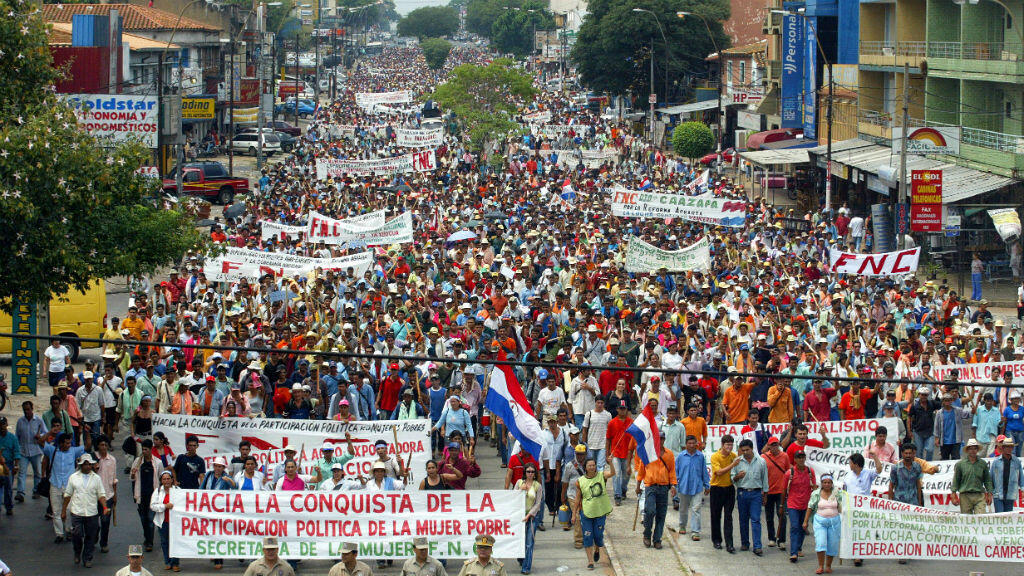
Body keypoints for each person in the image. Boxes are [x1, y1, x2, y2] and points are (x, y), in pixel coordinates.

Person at [61, 453, 110, 568]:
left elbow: (101, 494)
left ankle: (87, 557)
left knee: (90, 536)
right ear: (81, 465)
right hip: (77, 511)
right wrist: (63, 511)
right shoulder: (73, 477)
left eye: (89, 464)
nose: (87, 467)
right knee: (77, 534)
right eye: (85, 464)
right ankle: (77, 552)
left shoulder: (96, 479)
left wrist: (104, 507)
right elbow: (68, 495)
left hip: (91, 512)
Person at [635, 431, 676, 549]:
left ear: (664, 440)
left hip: (664, 487)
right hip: (650, 486)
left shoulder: (669, 454)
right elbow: (642, 469)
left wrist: (673, 485)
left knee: (661, 515)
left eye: (662, 438)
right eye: (658, 438)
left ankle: (657, 539)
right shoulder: (648, 453)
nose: (660, 441)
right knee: (650, 511)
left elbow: (672, 471)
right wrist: (638, 485)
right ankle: (647, 534)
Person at [572, 457, 614, 571]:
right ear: (585, 467)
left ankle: (597, 549)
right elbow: (577, 499)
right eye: (589, 465)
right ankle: (590, 561)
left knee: (598, 536)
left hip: (600, 512)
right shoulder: (580, 481)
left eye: (593, 465)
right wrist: (574, 514)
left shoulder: (601, 476)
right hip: (586, 514)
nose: (592, 467)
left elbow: (612, 473)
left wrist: (610, 463)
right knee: (587, 536)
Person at [42, 432, 85, 542]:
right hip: (55, 485)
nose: (69, 445)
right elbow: (41, 442)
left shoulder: (73, 451)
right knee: (56, 511)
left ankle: (69, 529)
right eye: (66, 443)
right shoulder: (52, 451)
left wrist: (86, 432)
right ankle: (59, 534)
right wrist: (51, 432)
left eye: (69, 443)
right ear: (60, 443)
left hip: (69, 486)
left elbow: (87, 446)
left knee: (70, 509)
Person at [731, 438, 768, 556]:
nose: (745, 452)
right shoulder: (737, 461)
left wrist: (765, 494)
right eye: (743, 450)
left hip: (756, 493)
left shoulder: (761, 462)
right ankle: (745, 543)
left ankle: (757, 546)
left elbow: (765, 479)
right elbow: (732, 478)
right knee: (743, 519)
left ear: (752, 449)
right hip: (742, 493)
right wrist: (738, 476)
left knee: (756, 519)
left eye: (747, 450)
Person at [804, 474, 843, 575]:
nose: (827, 484)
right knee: (820, 543)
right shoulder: (816, 494)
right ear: (821, 483)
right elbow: (810, 507)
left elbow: (843, 506)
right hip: (820, 522)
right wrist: (805, 521)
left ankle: (828, 566)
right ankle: (821, 566)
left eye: (829, 482)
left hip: (834, 522)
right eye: (825, 482)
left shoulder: (837, 493)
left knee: (833, 544)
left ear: (832, 483)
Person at [781, 450, 815, 563]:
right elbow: (784, 490)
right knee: (795, 526)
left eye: (802, 457)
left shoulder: (810, 472)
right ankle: (793, 552)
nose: (801, 459)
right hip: (792, 504)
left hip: (806, 504)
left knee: (802, 527)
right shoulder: (789, 473)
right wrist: (782, 505)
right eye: (798, 457)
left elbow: (814, 488)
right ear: (795, 459)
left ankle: (798, 547)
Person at [674, 435, 709, 540]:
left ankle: (695, 531)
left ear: (697, 444)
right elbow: (676, 472)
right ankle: (682, 525)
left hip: (697, 487)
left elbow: (704, 471)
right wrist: (674, 486)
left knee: (696, 509)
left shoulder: (700, 456)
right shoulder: (681, 456)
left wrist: (707, 485)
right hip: (683, 487)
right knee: (683, 509)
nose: (691, 445)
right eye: (689, 443)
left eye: (693, 443)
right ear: (686, 444)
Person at [709, 434, 738, 553]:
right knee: (716, 516)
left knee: (728, 516)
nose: (729, 447)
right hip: (717, 488)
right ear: (722, 445)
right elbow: (719, 472)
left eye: (731, 445)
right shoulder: (715, 457)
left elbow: (735, 472)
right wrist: (732, 465)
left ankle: (729, 543)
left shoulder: (733, 456)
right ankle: (716, 540)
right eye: (727, 445)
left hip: (729, 488)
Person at [761, 436, 790, 550]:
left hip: (781, 491)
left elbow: (787, 472)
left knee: (782, 515)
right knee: (769, 516)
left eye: (776, 444)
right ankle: (771, 538)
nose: (774, 447)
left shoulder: (785, 456)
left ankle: (781, 539)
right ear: (768, 446)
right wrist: (763, 491)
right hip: (768, 491)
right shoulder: (764, 457)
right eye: (772, 445)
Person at [514, 463, 543, 574]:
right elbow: (512, 498)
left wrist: (529, 515)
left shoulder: (537, 486)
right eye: (528, 471)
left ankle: (526, 568)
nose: (530, 474)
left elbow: (538, 503)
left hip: (531, 517)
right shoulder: (519, 483)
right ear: (525, 473)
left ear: (535, 474)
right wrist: (520, 490)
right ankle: (521, 558)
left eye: (532, 472)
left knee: (529, 543)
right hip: (519, 516)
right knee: (520, 540)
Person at [15, 400, 46, 503]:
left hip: (36, 451)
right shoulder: (20, 421)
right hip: (23, 451)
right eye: (25, 410)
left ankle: (36, 490)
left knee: (37, 472)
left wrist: (40, 436)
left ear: (32, 409)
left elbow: (45, 433)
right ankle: (20, 492)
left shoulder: (38, 420)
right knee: (22, 472)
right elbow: (17, 437)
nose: (26, 412)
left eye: (28, 409)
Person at [951, 438, 993, 514]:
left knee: (981, 518)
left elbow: (987, 480)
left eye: (975, 448)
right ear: (967, 450)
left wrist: (989, 493)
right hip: (965, 495)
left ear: (977, 450)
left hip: (979, 494)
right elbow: (956, 480)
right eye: (971, 449)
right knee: (966, 521)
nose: (973, 451)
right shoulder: (960, 464)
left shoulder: (982, 464)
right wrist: (953, 494)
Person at [93, 435, 119, 554]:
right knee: (93, 521)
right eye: (101, 445)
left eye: (105, 445)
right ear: (97, 446)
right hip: (94, 496)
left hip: (108, 495)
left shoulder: (112, 460)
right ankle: (94, 535)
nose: (103, 447)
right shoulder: (93, 459)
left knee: (105, 521)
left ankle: (104, 543)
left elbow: (114, 478)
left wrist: (115, 495)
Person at [150, 470, 180, 571]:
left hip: (175, 522)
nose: (166, 481)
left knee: (175, 542)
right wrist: (165, 506)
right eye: (164, 479)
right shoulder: (158, 491)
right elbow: (153, 506)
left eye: (168, 479)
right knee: (165, 542)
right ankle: (167, 562)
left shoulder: (178, 490)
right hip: (163, 521)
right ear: (161, 481)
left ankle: (175, 563)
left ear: (172, 480)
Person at [605, 404, 634, 505]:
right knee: (616, 474)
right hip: (615, 453)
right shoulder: (612, 423)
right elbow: (608, 439)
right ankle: (617, 494)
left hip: (627, 453)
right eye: (620, 409)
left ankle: (623, 489)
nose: (622, 411)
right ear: (617, 409)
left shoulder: (631, 423)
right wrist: (607, 454)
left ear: (626, 410)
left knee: (626, 475)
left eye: (624, 409)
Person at [990, 437, 1023, 512]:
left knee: (1008, 517)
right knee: (999, 517)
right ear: (1003, 448)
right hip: (998, 494)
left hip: (1010, 494)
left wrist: (1023, 489)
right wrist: (990, 492)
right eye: (1007, 447)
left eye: (1011, 447)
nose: (1009, 449)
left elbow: (1021, 477)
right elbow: (991, 478)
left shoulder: (1017, 461)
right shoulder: (996, 462)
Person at [0, 417, 19, 516]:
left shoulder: (12, 438)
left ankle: (9, 507)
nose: (2, 427)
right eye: (0, 424)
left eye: (3, 424)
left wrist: (16, 466)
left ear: (6, 425)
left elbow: (16, 452)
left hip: (8, 466)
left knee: (8, 488)